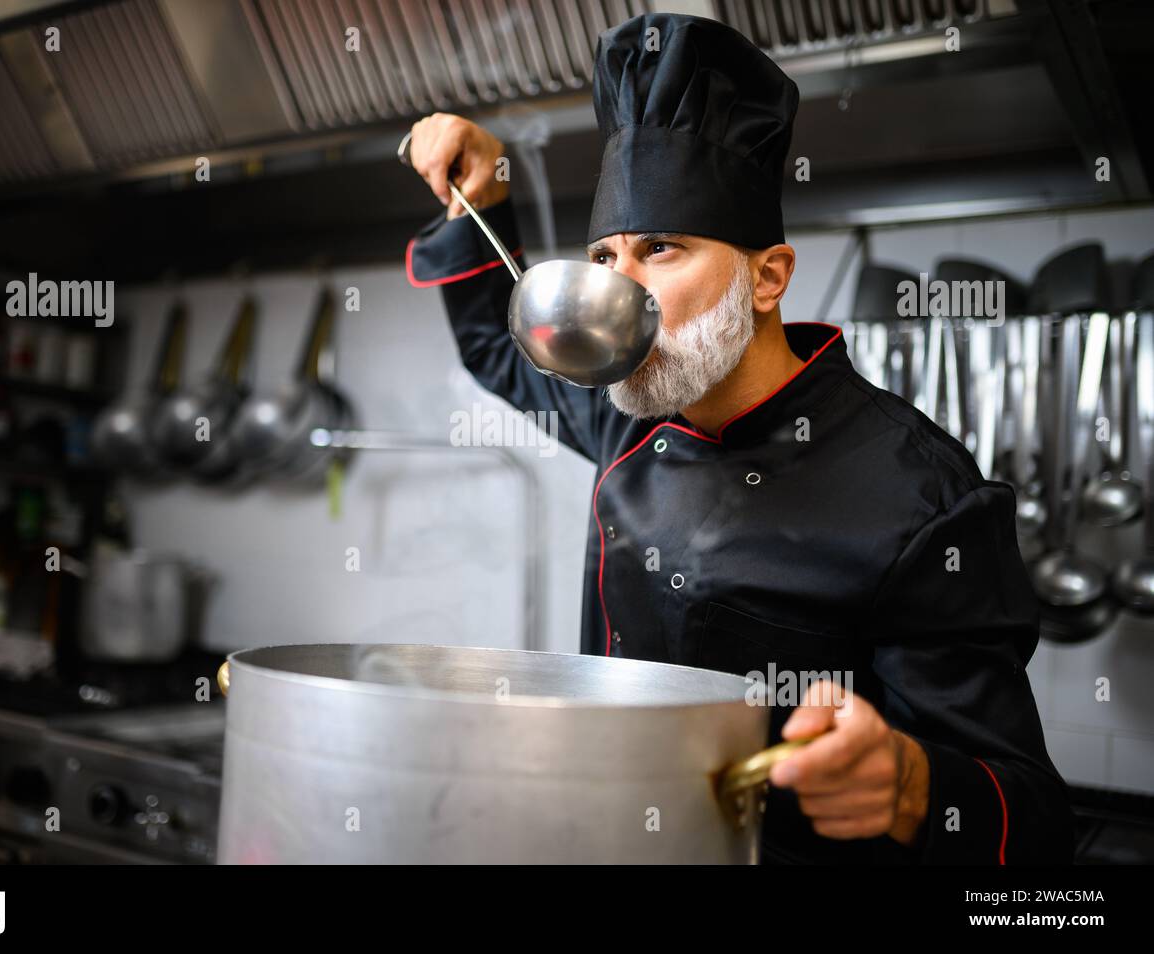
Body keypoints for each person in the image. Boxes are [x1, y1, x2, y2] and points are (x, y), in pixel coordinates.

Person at [403, 12, 1073, 864]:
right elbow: (505, 346)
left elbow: (1037, 822)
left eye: (661, 249)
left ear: (768, 278)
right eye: (606, 258)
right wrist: (482, 197)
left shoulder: (920, 498)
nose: (623, 291)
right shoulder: (632, 414)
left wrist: (909, 783)